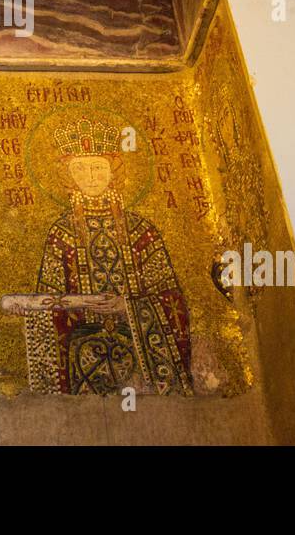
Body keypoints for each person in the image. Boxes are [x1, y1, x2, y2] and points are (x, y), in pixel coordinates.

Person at [26, 115, 194, 396]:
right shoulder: (61, 233)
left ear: (114, 171)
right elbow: (48, 300)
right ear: (68, 175)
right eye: (80, 169)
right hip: (82, 354)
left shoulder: (141, 231)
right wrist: (72, 305)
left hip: (140, 352)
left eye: (98, 167)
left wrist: (125, 306)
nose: (90, 177)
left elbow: (171, 299)